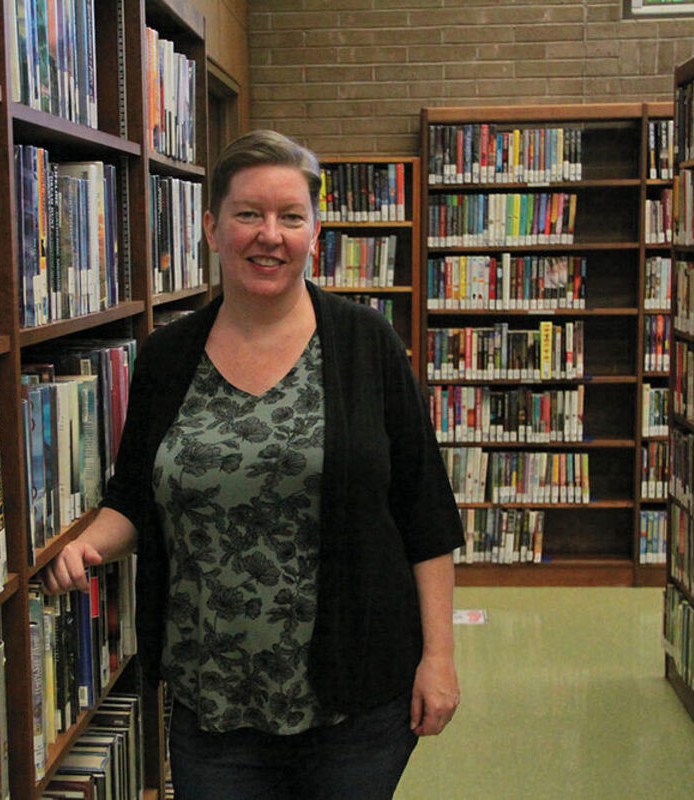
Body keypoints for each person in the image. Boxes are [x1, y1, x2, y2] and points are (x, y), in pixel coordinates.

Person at [42, 129, 463, 799]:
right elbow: (133, 499)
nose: (269, 235)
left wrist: (437, 660)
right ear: (211, 227)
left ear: (313, 233)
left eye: (290, 217)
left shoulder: (365, 345)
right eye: (248, 214)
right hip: (215, 703)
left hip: (357, 696)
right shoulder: (167, 358)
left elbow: (425, 513)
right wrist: (87, 545)